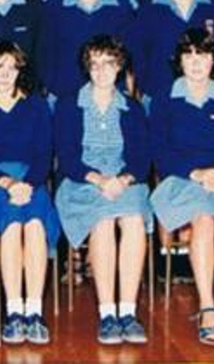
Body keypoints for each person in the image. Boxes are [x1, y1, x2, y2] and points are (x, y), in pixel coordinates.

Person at [148, 28, 214, 346]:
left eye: (203, 55)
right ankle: (208, 308)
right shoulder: (165, 98)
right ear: (179, 60)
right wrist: (195, 173)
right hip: (181, 180)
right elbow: (159, 150)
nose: (196, 62)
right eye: (189, 55)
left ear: (213, 60)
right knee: (204, 222)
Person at [54, 35, 152, 345]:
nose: (101, 71)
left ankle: (128, 310)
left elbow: (141, 158)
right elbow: (67, 157)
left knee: (134, 219)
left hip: (125, 179)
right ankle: (108, 313)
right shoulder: (70, 104)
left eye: (108, 63)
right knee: (104, 221)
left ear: (119, 66)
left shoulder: (131, 107)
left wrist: (121, 180)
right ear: (87, 68)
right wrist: (99, 180)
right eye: (94, 65)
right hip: (82, 182)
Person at [0, 42, 58, 345]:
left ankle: (33, 310)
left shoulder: (35, 105)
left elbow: (44, 155)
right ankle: (13, 310)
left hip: (31, 179)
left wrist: (28, 184)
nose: (5, 74)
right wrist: (7, 183)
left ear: (20, 71)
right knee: (11, 222)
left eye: (12, 67)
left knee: (33, 223)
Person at [39, 0, 137, 103]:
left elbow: (128, 59)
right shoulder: (54, 8)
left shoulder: (122, 10)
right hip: (62, 97)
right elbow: (44, 57)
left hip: (108, 97)